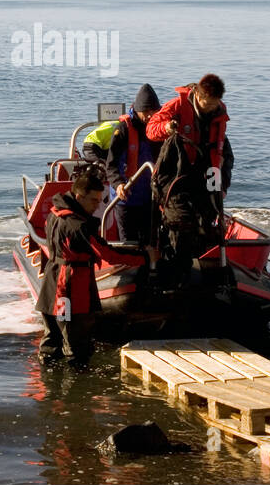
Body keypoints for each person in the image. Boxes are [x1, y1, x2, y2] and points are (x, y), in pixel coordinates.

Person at [35, 163, 144, 365]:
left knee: (52, 338)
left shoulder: (55, 214)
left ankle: (51, 383)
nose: (97, 205)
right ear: (79, 197)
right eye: (94, 200)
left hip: (53, 280)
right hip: (68, 288)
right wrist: (143, 259)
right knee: (76, 341)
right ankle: (75, 387)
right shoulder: (78, 225)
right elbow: (107, 254)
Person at [146, 74, 234, 287]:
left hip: (206, 176)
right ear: (197, 95)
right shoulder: (177, 106)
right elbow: (151, 129)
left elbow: (225, 154)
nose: (210, 108)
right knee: (180, 224)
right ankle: (177, 275)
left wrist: (221, 186)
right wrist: (166, 128)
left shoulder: (218, 116)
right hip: (175, 177)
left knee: (208, 225)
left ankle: (206, 274)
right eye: (207, 104)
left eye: (214, 104)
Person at [94, 85, 162, 245]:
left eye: (153, 112)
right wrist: (118, 184)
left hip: (149, 197)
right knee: (129, 241)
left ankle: (150, 267)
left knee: (150, 240)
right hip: (126, 198)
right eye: (145, 112)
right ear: (137, 110)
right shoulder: (123, 130)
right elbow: (111, 165)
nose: (149, 116)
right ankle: (130, 267)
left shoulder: (159, 130)